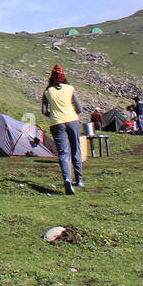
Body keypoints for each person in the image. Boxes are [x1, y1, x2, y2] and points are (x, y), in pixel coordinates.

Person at [40, 64, 84, 195]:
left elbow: (44, 111)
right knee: (76, 148)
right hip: (72, 120)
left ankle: (67, 179)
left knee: (63, 152)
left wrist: (53, 115)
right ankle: (79, 180)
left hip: (57, 123)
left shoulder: (47, 92)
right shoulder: (70, 89)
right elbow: (80, 109)